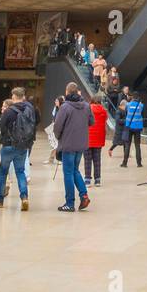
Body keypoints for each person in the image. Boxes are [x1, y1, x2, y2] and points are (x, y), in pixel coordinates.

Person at [0, 87, 36, 210]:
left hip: (8, 146)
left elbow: (0, 128)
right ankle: (24, 197)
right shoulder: (29, 109)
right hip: (23, 146)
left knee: (2, 173)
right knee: (20, 172)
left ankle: (0, 200)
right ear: (23, 96)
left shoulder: (9, 111)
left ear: (13, 97)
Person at [53, 83, 93, 212]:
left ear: (67, 92)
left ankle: (70, 203)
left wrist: (59, 137)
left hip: (68, 144)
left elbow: (57, 126)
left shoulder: (65, 107)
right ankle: (84, 195)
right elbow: (91, 122)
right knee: (75, 170)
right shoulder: (86, 106)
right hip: (81, 144)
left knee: (68, 173)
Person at [84, 94, 107, 186]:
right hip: (99, 139)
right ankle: (97, 180)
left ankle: (87, 180)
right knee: (97, 160)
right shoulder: (104, 111)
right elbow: (105, 120)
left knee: (87, 160)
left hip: (88, 138)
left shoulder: (87, 109)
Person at [122, 91, 145, 167]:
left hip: (129, 127)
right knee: (137, 146)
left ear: (132, 97)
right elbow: (142, 114)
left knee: (128, 145)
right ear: (138, 97)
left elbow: (125, 113)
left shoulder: (128, 105)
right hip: (138, 127)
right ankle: (139, 163)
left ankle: (124, 163)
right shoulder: (141, 105)